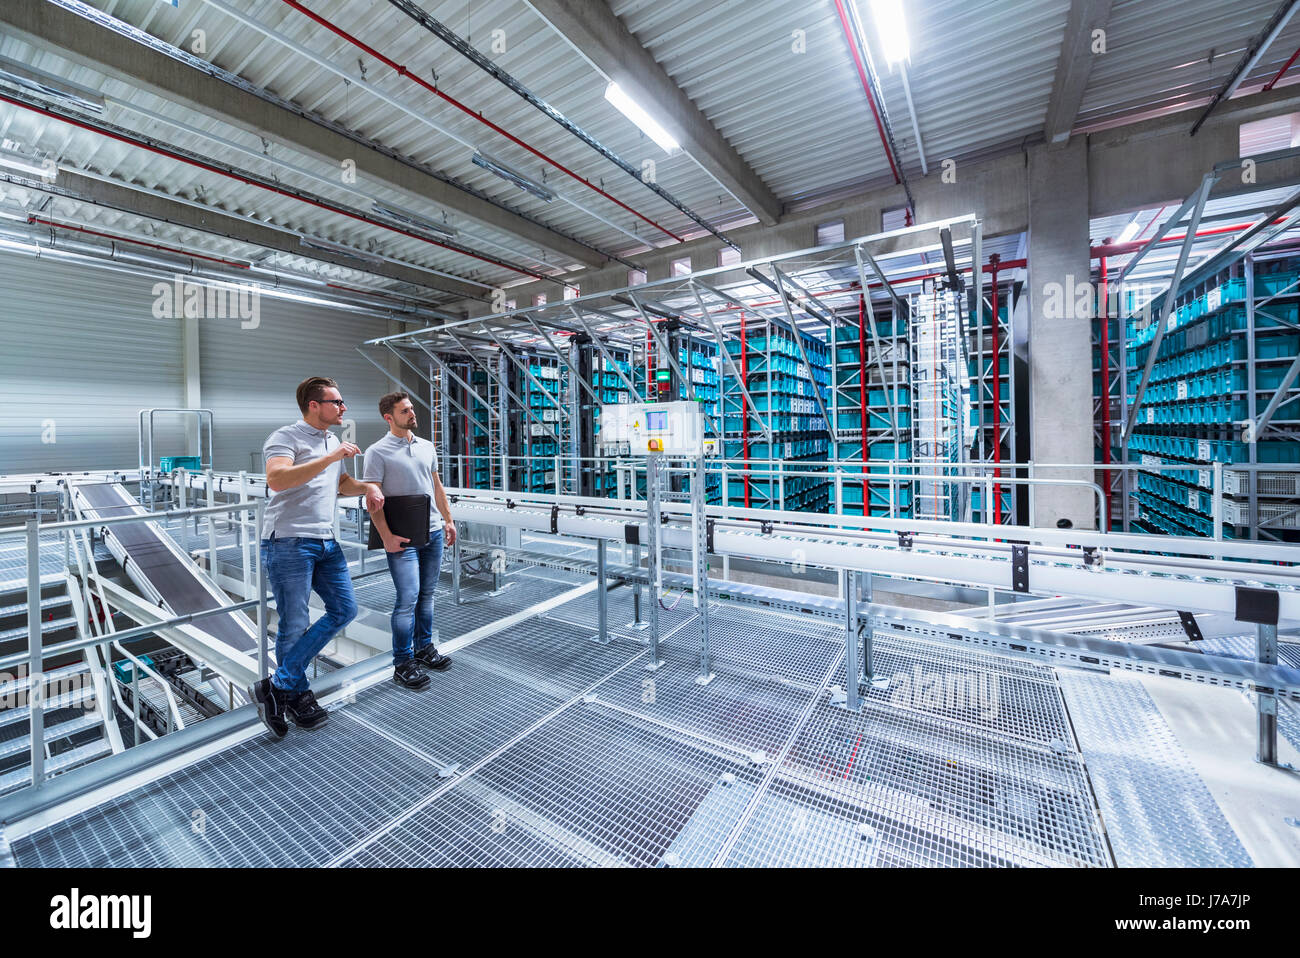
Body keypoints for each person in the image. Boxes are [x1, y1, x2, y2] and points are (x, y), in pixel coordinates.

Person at [248, 376, 384, 738]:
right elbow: (277, 480)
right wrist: (332, 456)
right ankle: (295, 693)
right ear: (314, 405)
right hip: (289, 541)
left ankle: (277, 687)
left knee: (345, 610)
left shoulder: (331, 439)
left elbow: (340, 485)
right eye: (337, 402)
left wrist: (369, 485)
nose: (343, 408)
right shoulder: (285, 437)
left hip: (325, 540)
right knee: (294, 623)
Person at [363, 391, 457, 690]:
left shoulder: (427, 446)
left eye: (412, 409)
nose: (412, 414)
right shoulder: (376, 452)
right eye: (405, 411)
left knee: (427, 596)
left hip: (432, 532)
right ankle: (403, 663)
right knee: (407, 600)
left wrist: (449, 520)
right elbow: (372, 499)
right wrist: (386, 536)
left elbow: (437, 487)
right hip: (402, 538)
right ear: (388, 417)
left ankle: (424, 649)